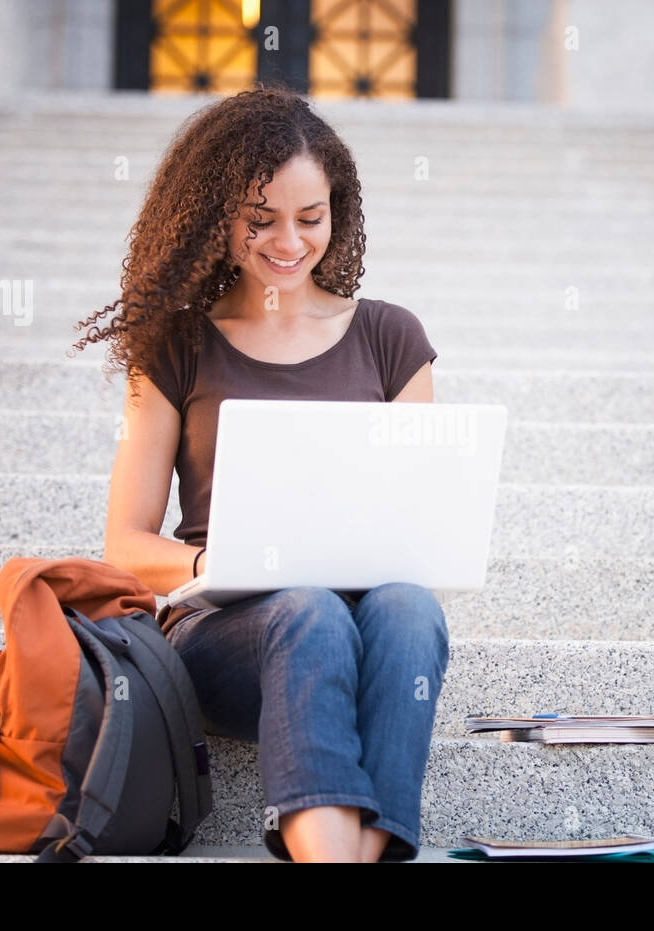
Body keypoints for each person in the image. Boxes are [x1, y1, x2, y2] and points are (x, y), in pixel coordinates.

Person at [70, 83, 450, 863]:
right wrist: (224, 562)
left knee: (410, 607)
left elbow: (419, 531)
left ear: (336, 213)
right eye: (261, 220)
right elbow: (125, 546)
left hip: (359, 623)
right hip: (227, 634)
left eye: (310, 219)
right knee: (306, 608)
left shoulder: (391, 338)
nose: (289, 241)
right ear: (217, 217)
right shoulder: (176, 346)